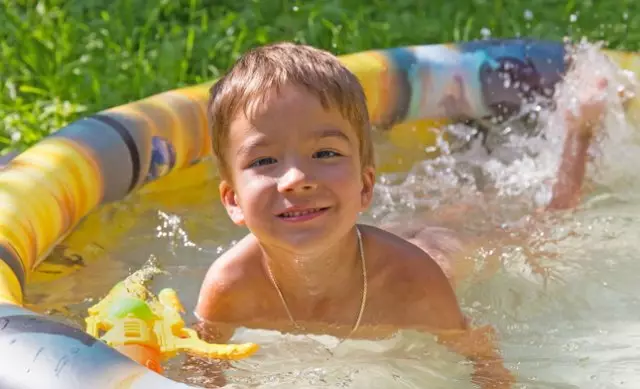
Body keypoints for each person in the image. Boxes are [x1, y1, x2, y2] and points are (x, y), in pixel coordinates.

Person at [193, 42, 618, 388]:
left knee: (543, 227)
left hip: (437, 257)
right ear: (232, 200)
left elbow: (480, 356)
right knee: (439, 215)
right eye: (264, 161)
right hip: (373, 242)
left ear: (364, 187)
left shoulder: (414, 284)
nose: (296, 179)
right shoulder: (230, 286)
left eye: (325, 153)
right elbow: (202, 370)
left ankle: (578, 132)